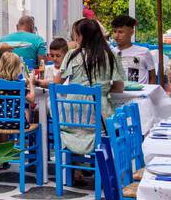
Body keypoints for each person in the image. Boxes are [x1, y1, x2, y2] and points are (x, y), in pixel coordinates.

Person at [53, 18, 125, 173]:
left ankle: (76, 170)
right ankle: (104, 169)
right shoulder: (111, 55)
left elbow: (57, 82)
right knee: (119, 122)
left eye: (75, 36)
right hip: (99, 120)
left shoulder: (72, 55)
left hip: (70, 118)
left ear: (81, 37)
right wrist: (104, 87)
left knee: (75, 127)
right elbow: (119, 88)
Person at [111, 14, 156, 85]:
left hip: (140, 95)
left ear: (131, 32)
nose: (116, 36)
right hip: (116, 94)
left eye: (121, 32)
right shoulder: (110, 53)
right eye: (114, 31)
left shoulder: (144, 52)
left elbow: (152, 77)